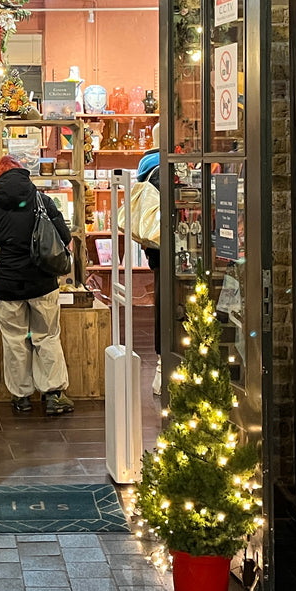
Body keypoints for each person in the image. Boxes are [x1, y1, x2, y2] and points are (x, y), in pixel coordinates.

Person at [0, 155, 75, 415]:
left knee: (15, 341)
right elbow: (65, 236)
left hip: (7, 283)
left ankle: (21, 397)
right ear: (22, 173)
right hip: (43, 281)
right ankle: (53, 395)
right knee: (47, 337)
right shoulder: (42, 200)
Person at [135, 124, 162, 393]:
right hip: (168, 246)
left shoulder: (145, 167)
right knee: (168, 304)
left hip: (154, 248)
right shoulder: (162, 169)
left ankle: (161, 370)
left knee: (161, 301)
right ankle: (163, 370)